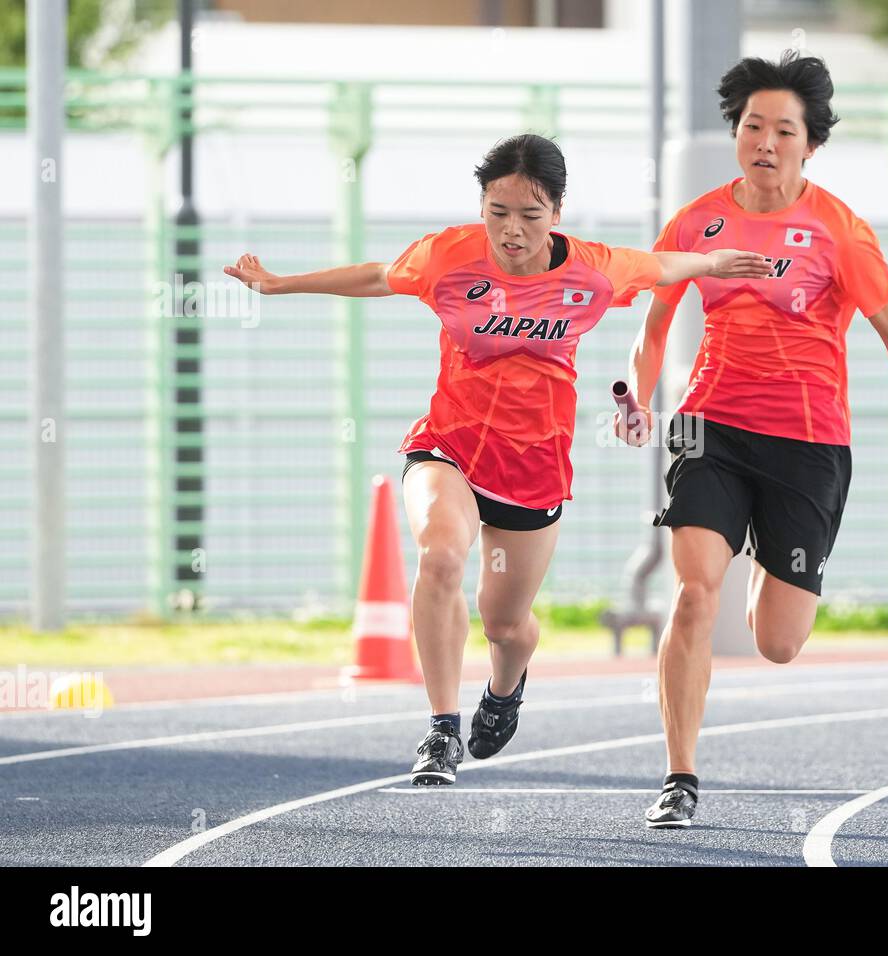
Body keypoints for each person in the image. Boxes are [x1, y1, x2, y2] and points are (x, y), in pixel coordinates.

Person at [225, 133, 770, 785]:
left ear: (557, 214)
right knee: (440, 556)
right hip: (449, 445)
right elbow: (378, 275)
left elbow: (660, 266)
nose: (511, 231)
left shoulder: (593, 272)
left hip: (533, 466)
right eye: (497, 212)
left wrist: (713, 264)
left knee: (505, 623)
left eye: (529, 216)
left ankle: (504, 691)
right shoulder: (448, 257)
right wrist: (279, 283)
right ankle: (440, 729)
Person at [616, 53, 888, 828]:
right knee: (696, 592)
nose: (764, 141)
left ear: (811, 144)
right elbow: (655, 323)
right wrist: (637, 395)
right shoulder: (698, 221)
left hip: (808, 444)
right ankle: (680, 776)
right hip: (712, 425)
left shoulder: (839, 230)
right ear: (736, 132)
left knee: (777, 642)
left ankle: (778, 561)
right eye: (752, 126)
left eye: (782, 130)